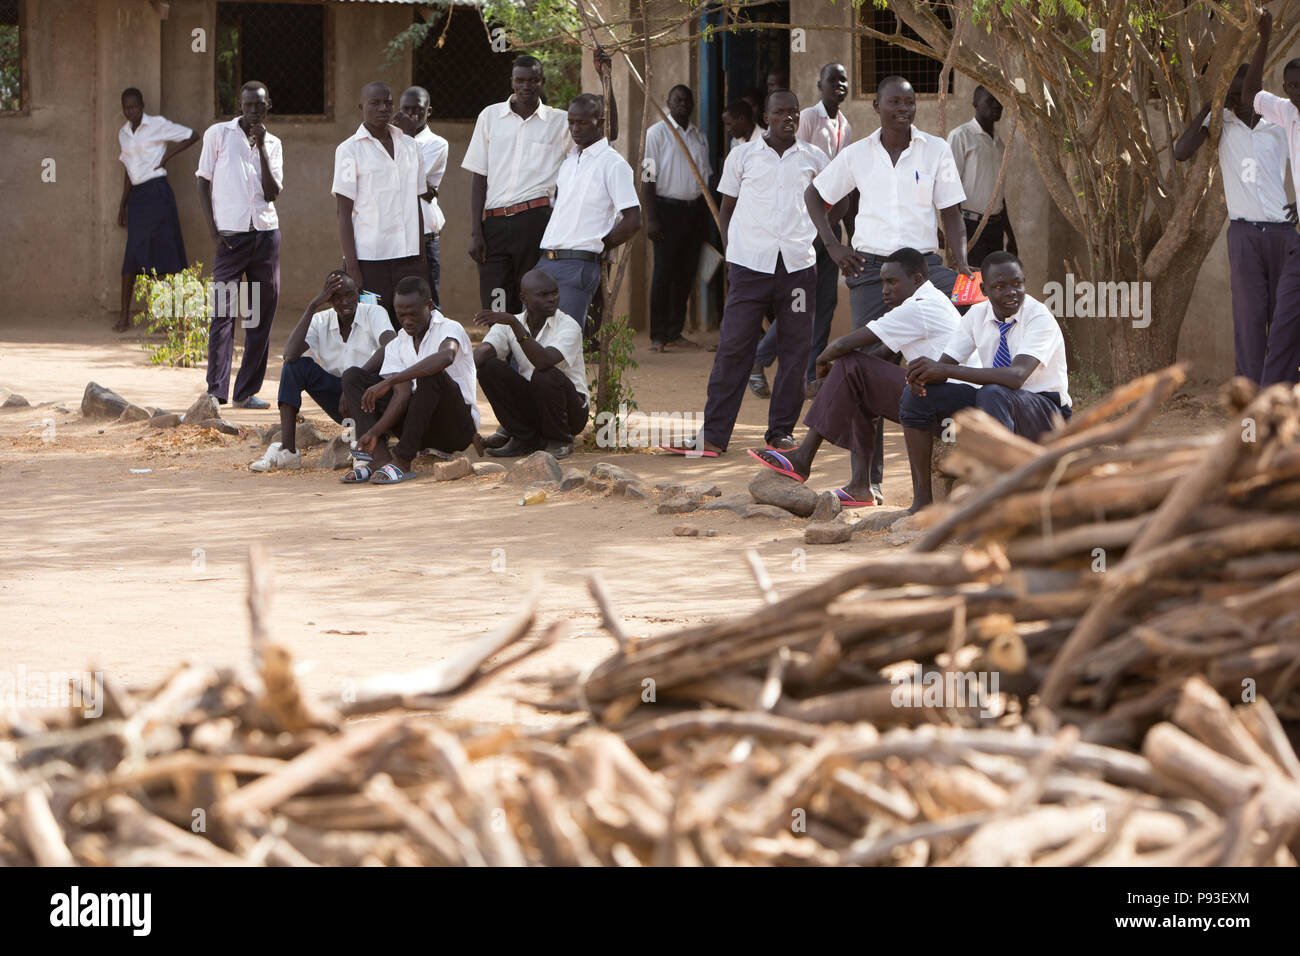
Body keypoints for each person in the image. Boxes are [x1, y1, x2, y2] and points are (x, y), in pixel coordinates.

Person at [805, 74, 972, 503]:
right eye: (895, 102)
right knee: (862, 363)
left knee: (971, 319)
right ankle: (865, 480)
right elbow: (815, 194)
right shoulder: (858, 154)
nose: (904, 109)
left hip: (924, 268)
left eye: (910, 102)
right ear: (876, 107)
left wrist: (964, 263)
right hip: (871, 269)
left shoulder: (935, 149)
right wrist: (834, 246)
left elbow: (951, 211)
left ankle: (964, 440)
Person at [661, 90, 829, 457]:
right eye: (780, 112)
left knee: (796, 351)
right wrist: (733, 255)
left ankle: (780, 432)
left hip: (798, 267)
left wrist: (822, 238)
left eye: (793, 112)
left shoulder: (815, 158)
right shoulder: (743, 156)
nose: (788, 118)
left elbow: (834, 201)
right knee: (733, 349)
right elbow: (726, 210)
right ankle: (714, 436)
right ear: (765, 117)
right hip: (750, 267)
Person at [747, 247, 960, 508]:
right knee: (857, 377)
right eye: (882, 282)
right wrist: (837, 380)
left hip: (950, 409)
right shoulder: (927, 302)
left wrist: (821, 363)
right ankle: (860, 485)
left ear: (916, 280)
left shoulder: (920, 307)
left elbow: (842, 346)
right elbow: (879, 355)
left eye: (892, 282)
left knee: (853, 366)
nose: (884, 290)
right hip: (941, 401)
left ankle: (803, 458)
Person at [900, 251, 1070, 511]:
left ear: (1024, 281)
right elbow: (944, 367)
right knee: (915, 398)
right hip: (997, 404)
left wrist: (942, 369)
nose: (1011, 292)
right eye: (1000, 287)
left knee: (992, 392)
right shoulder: (976, 315)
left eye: (1017, 284)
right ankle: (922, 502)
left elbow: (1016, 376)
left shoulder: (1039, 317)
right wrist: (922, 376)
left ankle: (999, 502)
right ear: (985, 289)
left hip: (1047, 411)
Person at [463, 50, 616, 316]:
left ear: (542, 82)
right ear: (511, 82)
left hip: (536, 223)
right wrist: (476, 231)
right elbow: (479, 177)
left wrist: (606, 79)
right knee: (496, 298)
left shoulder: (559, 121)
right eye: (520, 80)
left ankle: (527, 357)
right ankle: (499, 356)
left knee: (532, 299)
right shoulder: (489, 117)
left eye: (533, 80)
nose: (526, 86)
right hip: (494, 225)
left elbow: (608, 131)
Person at [1176, 63, 1295, 385]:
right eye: (1234, 92)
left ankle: (1285, 399)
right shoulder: (1221, 123)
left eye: (1245, 92)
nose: (1239, 98)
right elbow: (1181, 151)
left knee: (1285, 321)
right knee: (1249, 320)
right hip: (1244, 235)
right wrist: (1211, 104)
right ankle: (1250, 402)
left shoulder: (1280, 124)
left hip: (1283, 234)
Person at [752, 61, 855, 399]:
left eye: (843, 80)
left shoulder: (845, 124)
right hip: (806, 224)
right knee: (801, 300)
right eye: (832, 80)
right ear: (819, 84)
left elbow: (844, 183)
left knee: (824, 301)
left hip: (831, 223)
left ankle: (811, 374)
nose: (839, 85)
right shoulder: (807, 118)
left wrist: (846, 230)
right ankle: (760, 358)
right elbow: (798, 167)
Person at [339, 276, 479, 484]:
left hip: (455, 428)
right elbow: (402, 396)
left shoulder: (449, 327)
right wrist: (374, 432)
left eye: (413, 313)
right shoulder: (399, 342)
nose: (406, 321)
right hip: (418, 429)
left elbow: (446, 356)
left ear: (429, 306)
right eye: (400, 314)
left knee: (431, 375)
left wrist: (387, 382)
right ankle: (378, 457)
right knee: (352, 376)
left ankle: (402, 461)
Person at [251, 270, 394, 472]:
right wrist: (312, 306)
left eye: (350, 294)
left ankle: (365, 450)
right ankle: (289, 450)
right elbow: (290, 354)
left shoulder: (374, 313)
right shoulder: (320, 320)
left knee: (353, 379)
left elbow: (391, 346)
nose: (345, 301)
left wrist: (352, 383)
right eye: (336, 297)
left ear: (358, 293)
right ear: (328, 301)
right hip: (339, 403)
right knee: (294, 366)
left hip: (369, 395)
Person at [196, 80, 284, 409]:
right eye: (248, 106)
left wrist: (260, 147)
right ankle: (215, 392)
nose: (253, 112)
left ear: (268, 106)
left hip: (265, 236)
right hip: (231, 239)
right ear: (240, 106)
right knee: (223, 314)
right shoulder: (218, 135)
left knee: (260, 317)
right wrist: (213, 230)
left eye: (260, 106)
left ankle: (245, 392)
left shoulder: (273, 143)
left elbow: (272, 192)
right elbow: (202, 183)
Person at [534, 94, 641, 333]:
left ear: (600, 122)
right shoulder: (570, 161)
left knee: (564, 341)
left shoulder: (613, 164)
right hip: (546, 261)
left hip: (578, 265)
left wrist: (602, 245)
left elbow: (633, 220)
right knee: (531, 340)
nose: (574, 128)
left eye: (581, 122)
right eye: (571, 122)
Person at [332, 81, 426, 331]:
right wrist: (352, 267)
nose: (382, 108)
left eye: (388, 102)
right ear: (361, 106)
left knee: (412, 325)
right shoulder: (348, 150)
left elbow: (416, 203)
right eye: (375, 103)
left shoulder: (411, 146)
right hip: (370, 259)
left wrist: (422, 258)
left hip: (409, 257)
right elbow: (343, 212)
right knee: (375, 327)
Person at [1239, 9, 1300, 386]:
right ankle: (1270, 409)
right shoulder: (1289, 112)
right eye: (1290, 85)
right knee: (1283, 327)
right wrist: (1264, 38)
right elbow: (1249, 94)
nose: (1296, 91)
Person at [473, 270, 589, 460]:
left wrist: (513, 324)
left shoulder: (569, 325)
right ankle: (522, 438)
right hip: (537, 405)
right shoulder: (510, 323)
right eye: (544, 295)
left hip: (570, 412)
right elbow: (484, 352)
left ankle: (560, 441)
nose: (552, 299)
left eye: (555, 293)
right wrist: (457, 375)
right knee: (488, 368)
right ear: (524, 298)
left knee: (543, 374)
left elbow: (542, 361)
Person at [116, 87, 199, 333]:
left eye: (134, 106)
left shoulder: (157, 125)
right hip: (138, 198)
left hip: (158, 193)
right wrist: (122, 204)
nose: (130, 111)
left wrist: (167, 157)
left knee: (165, 255)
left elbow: (193, 135)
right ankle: (124, 317)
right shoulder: (123, 133)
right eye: (126, 107)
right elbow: (128, 170)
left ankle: (170, 318)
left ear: (142, 105)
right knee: (133, 255)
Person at [644, 84, 713, 352]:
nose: (683, 104)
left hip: (694, 211)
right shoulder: (656, 133)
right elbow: (647, 177)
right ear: (668, 102)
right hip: (666, 211)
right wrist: (651, 218)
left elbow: (705, 177)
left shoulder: (699, 136)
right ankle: (658, 335)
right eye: (678, 100)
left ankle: (675, 331)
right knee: (664, 272)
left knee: (686, 273)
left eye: (687, 100)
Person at [947, 85, 1018, 267]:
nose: (997, 105)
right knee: (970, 286)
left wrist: (1010, 234)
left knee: (992, 283)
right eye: (990, 100)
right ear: (976, 104)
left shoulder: (999, 144)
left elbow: (997, 196)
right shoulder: (961, 136)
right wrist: (957, 234)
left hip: (995, 228)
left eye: (999, 101)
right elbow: (949, 188)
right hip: (969, 226)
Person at [397, 86, 449, 309]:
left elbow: (409, 177)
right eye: (405, 109)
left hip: (424, 233)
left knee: (427, 298)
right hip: (394, 233)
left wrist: (407, 136)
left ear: (428, 111)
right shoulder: (386, 139)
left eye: (417, 109)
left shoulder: (437, 144)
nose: (411, 114)